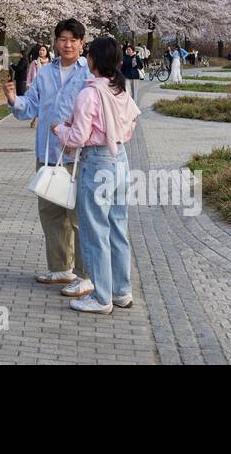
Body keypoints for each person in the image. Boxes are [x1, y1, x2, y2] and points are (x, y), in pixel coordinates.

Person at [1, 18, 91, 294]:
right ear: (55, 41)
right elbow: (30, 107)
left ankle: (86, 276)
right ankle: (60, 268)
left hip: (77, 155)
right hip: (48, 153)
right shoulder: (45, 73)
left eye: (74, 40)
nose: (68, 45)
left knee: (79, 217)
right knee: (50, 213)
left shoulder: (89, 72)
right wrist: (14, 98)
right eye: (63, 39)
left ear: (82, 44)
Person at [52, 36, 140, 314]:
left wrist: (58, 129)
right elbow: (131, 123)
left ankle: (101, 297)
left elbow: (77, 137)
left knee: (95, 231)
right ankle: (121, 291)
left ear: (92, 60)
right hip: (120, 160)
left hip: (96, 163)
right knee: (117, 228)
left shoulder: (89, 93)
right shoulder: (120, 91)